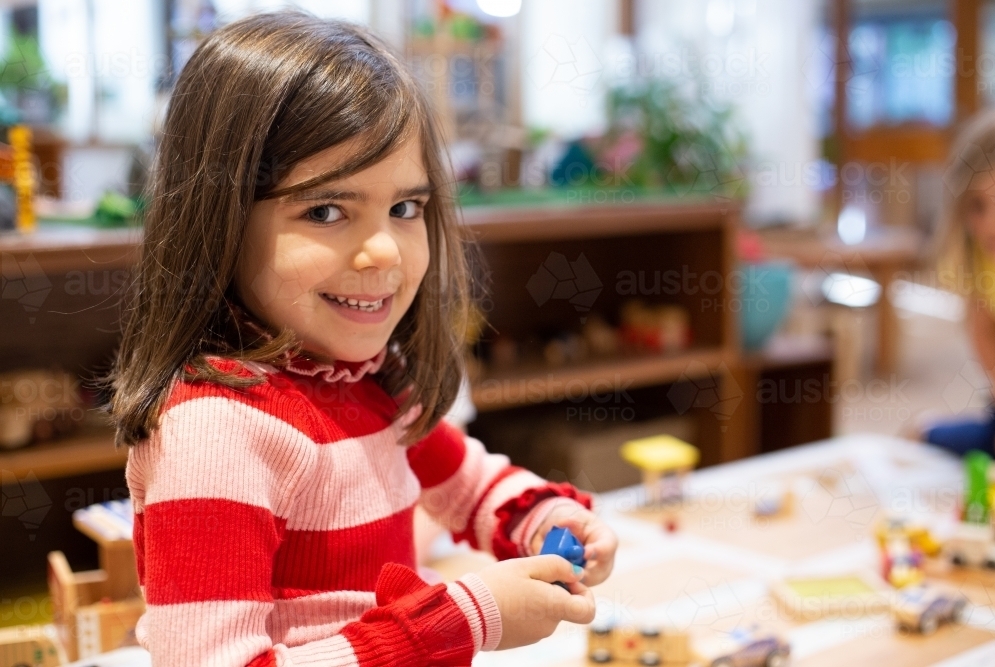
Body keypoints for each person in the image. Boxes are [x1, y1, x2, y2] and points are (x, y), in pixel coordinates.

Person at [103, 12, 617, 666]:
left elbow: (465, 480)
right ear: (220, 219)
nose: (384, 251)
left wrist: (540, 517)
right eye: (326, 211)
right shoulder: (214, 433)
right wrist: (463, 616)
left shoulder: (366, 374)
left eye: (405, 208)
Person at [919, 106, 995, 459]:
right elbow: (983, 332)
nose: (991, 226)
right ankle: (926, 430)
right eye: (977, 207)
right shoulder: (977, 255)